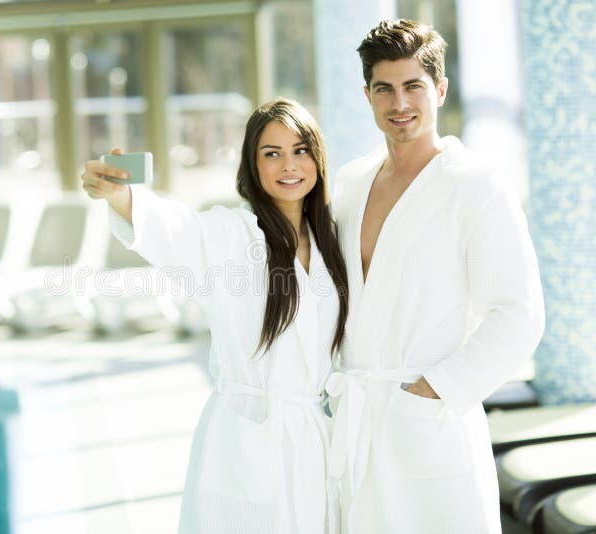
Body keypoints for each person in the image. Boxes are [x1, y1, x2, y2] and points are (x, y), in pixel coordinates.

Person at [81, 98, 347, 533]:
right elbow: (176, 228)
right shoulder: (232, 235)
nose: (289, 165)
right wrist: (121, 195)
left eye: (300, 150)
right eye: (272, 153)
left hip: (313, 441)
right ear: (252, 165)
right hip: (245, 439)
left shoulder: (331, 241)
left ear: (317, 157)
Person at [325, 19, 545, 533]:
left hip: (430, 425)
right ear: (367, 95)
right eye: (384, 88)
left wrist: (433, 391)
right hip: (355, 424)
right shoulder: (352, 183)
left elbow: (520, 314)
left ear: (440, 89)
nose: (399, 103)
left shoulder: (476, 185)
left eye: (413, 86)